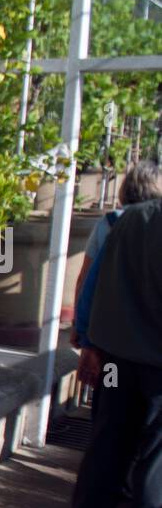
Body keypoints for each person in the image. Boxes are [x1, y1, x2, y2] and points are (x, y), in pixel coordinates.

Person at [66, 194, 162, 508]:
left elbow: (95, 281)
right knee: (156, 456)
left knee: (107, 442)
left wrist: (88, 340)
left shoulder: (130, 219)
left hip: (115, 359)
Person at [71, 160, 162, 386]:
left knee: (111, 397)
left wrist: (81, 330)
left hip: (111, 343)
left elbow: (86, 279)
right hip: (152, 354)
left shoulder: (110, 223)